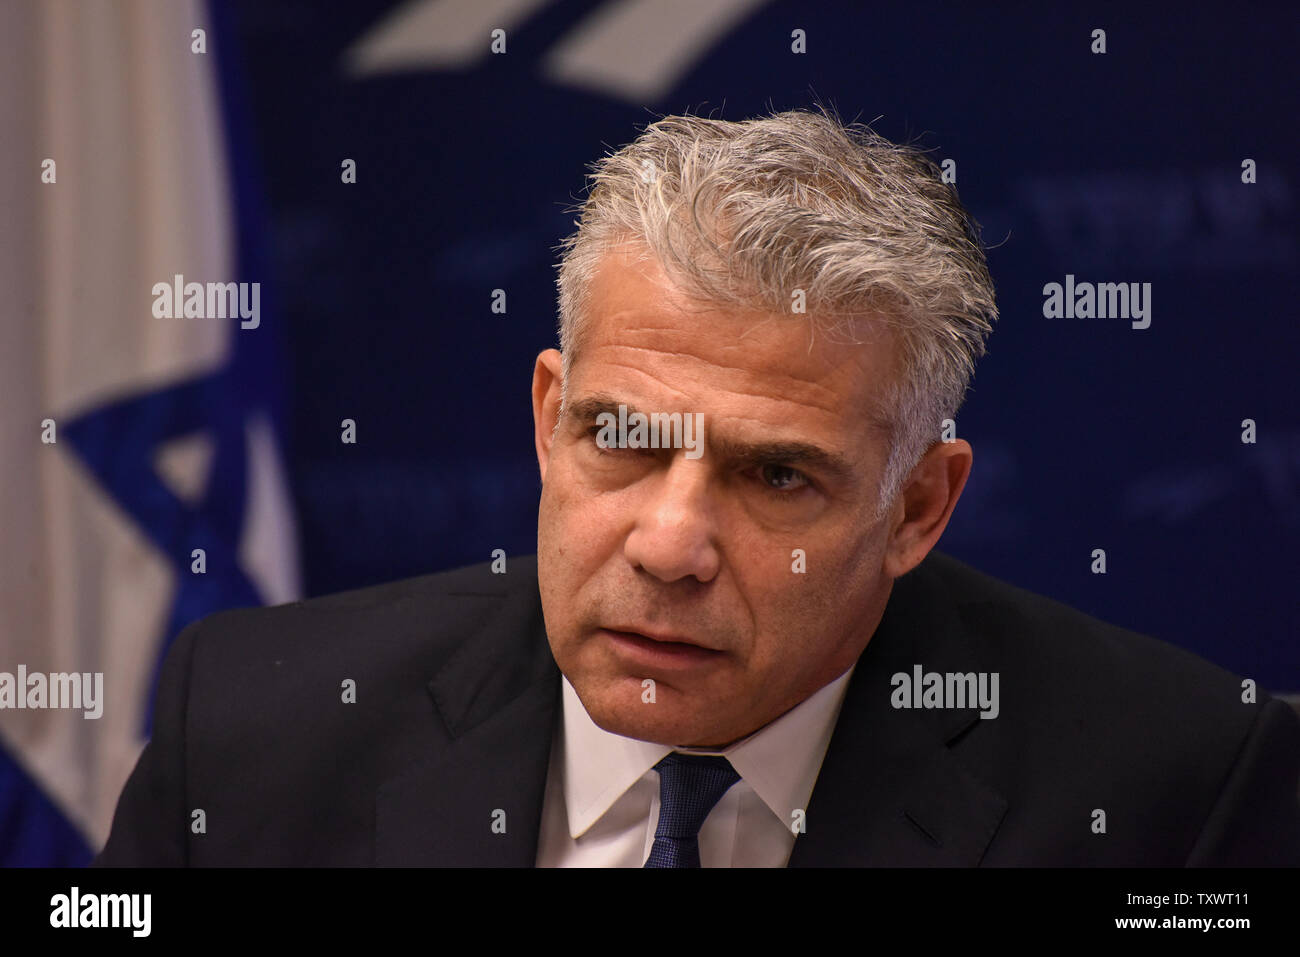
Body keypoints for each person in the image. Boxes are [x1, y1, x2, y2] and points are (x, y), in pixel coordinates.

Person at [95, 108, 1300, 867]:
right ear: (548, 417)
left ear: (918, 507)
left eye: (776, 474)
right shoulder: (252, 729)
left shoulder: (1175, 791)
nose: (669, 545)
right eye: (622, 439)